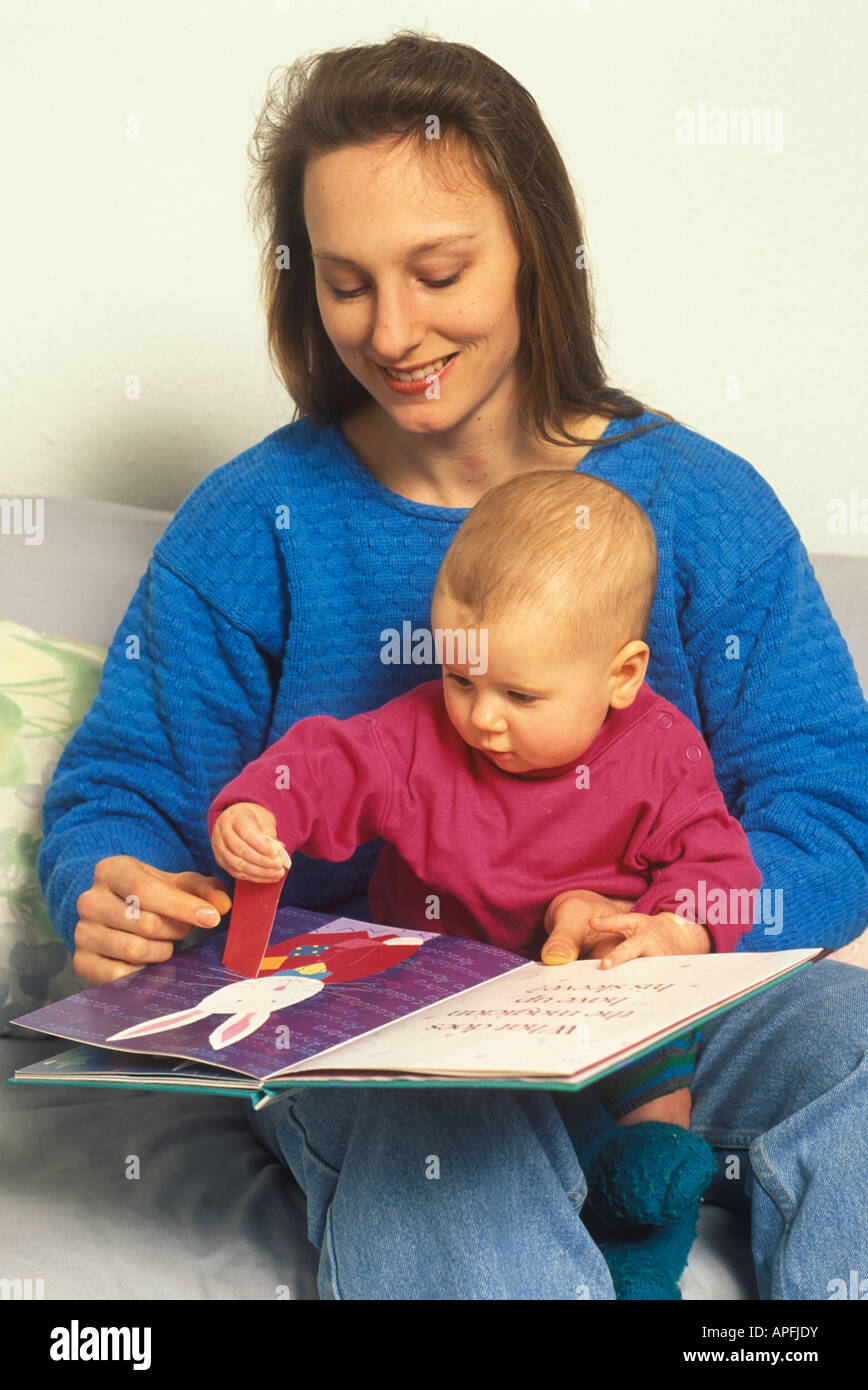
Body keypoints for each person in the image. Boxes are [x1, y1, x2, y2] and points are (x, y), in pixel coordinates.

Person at [38, 33, 868, 1300]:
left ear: (533, 243)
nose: (394, 329)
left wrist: (681, 929)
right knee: (445, 1137)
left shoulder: (701, 506)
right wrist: (107, 884)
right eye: (346, 282)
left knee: (855, 1046)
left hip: (667, 1002)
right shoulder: (251, 521)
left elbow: (825, 797)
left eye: (439, 271)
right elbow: (129, 786)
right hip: (381, 1025)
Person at [207, 467, 765, 1297]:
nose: (481, 717)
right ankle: (579, 1167)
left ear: (623, 675)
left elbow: (720, 869)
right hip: (443, 1017)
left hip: (593, 1000)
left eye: (519, 693)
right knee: (483, 1122)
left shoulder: (659, 750)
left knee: (659, 1088)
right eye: (461, 678)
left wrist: (668, 929)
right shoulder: (422, 734)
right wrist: (257, 811)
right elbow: (331, 764)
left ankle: (642, 1240)